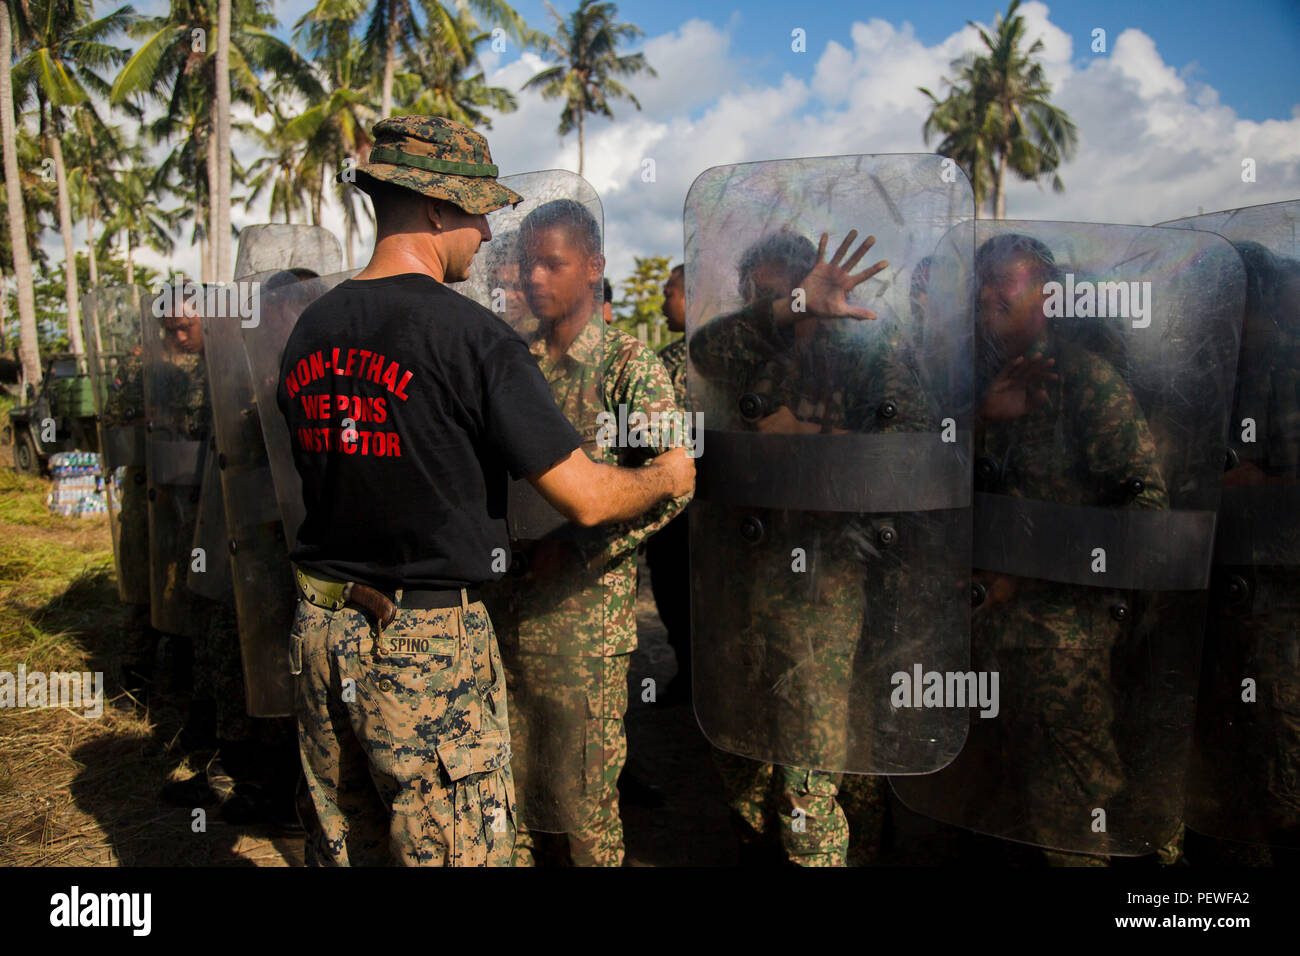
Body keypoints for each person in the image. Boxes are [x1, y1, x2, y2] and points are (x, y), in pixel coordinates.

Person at [278, 116, 694, 867]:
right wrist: (667, 475)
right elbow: (588, 498)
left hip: (320, 634)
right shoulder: (472, 338)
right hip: (424, 648)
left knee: (348, 844)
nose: (486, 231)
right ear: (437, 209)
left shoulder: (313, 327)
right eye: (477, 211)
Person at [689, 228, 922, 866]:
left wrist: (809, 435)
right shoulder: (754, 348)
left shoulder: (871, 349)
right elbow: (705, 351)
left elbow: (914, 451)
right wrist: (788, 308)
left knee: (819, 766)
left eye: (783, 292)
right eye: (761, 297)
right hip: (750, 580)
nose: (776, 306)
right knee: (745, 750)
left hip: (838, 580)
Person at [483, 198, 691, 866]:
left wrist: (579, 546)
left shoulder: (627, 368)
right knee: (509, 802)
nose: (536, 278)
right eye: (527, 264)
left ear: (594, 267)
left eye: (553, 262)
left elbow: (674, 481)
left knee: (582, 815)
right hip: (501, 618)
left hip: (583, 631)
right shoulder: (513, 362)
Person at [967, 232, 1169, 865]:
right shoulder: (968, 378)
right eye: (982, 290)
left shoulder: (1087, 384)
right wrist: (978, 419)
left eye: (1005, 290)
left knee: (1070, 822)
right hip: (977, 639)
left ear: (1047, 300)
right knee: (994, 815)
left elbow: (1143, 514)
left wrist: (1027, 571)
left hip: (1063, 644)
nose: (986, 302)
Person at [645, 264, 691, 705]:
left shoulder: (683, 360)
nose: (662, 303)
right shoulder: (670, 359)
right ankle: (690, 672)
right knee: (673, 592)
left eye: (670, 292)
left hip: (703, 513)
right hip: (679, 512)